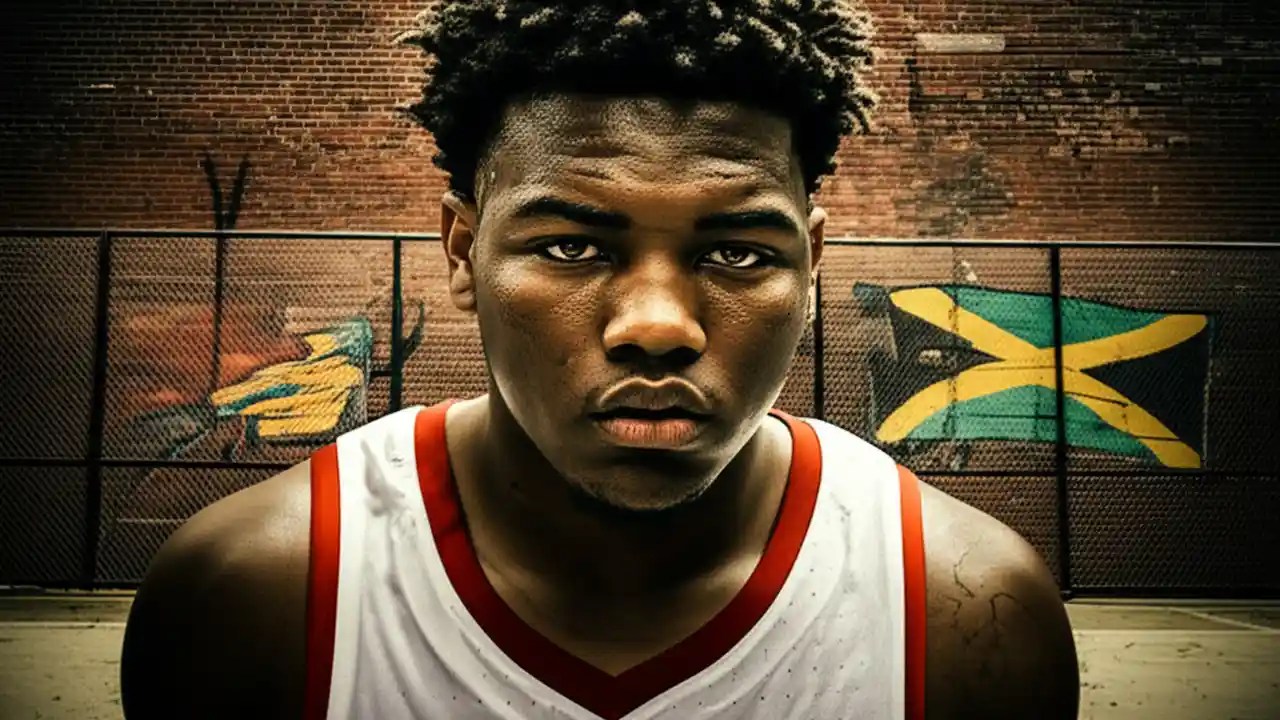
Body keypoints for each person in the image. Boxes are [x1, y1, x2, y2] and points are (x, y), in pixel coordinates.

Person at [120, 1, 1079, 718]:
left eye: (738, 252)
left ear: (813, 265)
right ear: (463, 254)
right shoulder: (254, 593)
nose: (658, 326)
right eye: (573, 247)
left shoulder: (966, 614)